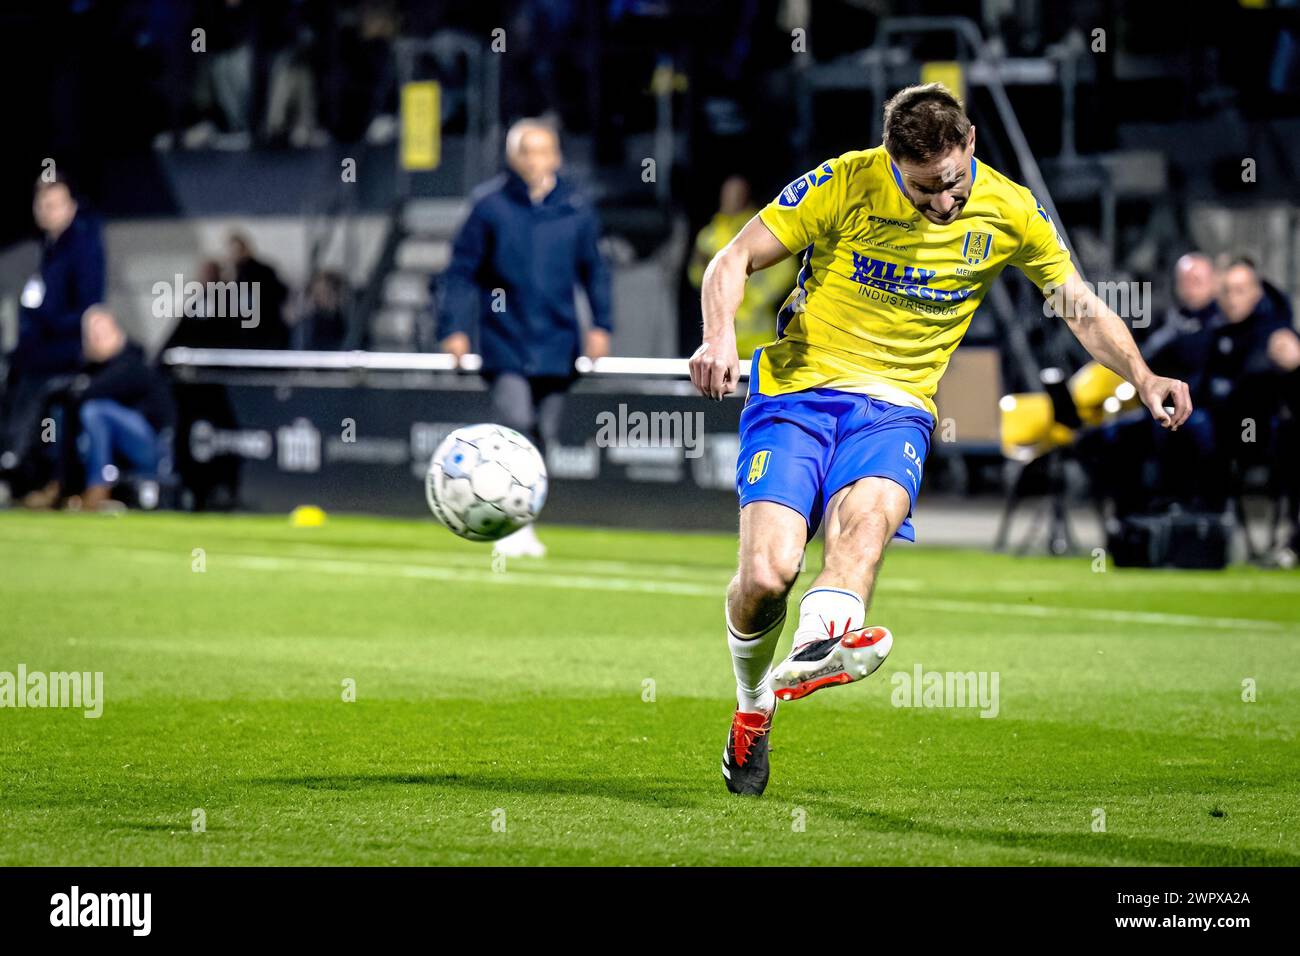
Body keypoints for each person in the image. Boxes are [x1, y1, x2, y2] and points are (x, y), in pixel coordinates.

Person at [691, 83, 1192, 796]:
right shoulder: (845, 181)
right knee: (767, 577)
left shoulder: (1011, 209)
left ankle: (819, 643)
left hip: (897, 409)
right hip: (799, 395)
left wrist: (1142, 377)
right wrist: (716, 337)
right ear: (893, 162)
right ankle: (753, 706)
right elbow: (731, 258)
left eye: (953, 181)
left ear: (972, 146)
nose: (945, 201)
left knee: (863, 527)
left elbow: (1079, 306)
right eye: (925, 189)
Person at [437, 118, 612, 558]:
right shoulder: (489, 206)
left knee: (543, 435)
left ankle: (521, 522)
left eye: (543, 151)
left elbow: (595, 270)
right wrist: (453, 328)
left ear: (556, 156)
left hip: (557, 342)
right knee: (516, 425)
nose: (534, 160)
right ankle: (506, 524)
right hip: (505, 341)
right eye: (525, 152)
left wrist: (601, 325)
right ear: (512, 158)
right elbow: (460, 272)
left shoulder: (575, 206)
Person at [1, 174, 105, 496]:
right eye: (43, 204)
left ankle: (14, 459)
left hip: (66, 349)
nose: (47, 211)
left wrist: (42, 312)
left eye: (54, 204)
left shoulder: (83, 246)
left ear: (70, 206)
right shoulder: (48, 247)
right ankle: (14, 458)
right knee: (13, 371)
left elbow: (87, 309)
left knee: (33, 383)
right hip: (38, 347)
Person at [25, 306, 175, 511]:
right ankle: (55, 482)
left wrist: (72, 391)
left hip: (151, 446)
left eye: (102, 332)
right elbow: (70, 398)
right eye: (92, 334)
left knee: (95, 411)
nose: (97, 339)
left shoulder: (132, 362)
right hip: (105, 447)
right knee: (56, 416)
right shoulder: (89, 368)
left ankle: (98, 487)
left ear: (116, 330)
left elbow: (90, 392)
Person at [688, 176, 797, 359]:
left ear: (746, 197)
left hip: (758, 332)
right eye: (727, 195)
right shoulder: (709, 235)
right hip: (722, 331)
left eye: (736, 195)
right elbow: (697, 276)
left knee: (755, 381)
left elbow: (786, 269)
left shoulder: (762, 229)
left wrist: (756, 298)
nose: (730, 200)